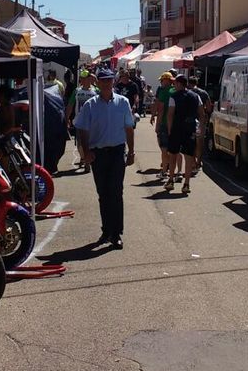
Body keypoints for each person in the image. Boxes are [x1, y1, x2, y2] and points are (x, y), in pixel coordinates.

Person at [73, 68, 136, 248]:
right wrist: (86, 152)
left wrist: (131, 151)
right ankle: (106, 230)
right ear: (98, 83)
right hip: (98, 154)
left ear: (113, 82)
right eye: (103, 80)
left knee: (116, 193)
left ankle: (116, 233)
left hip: (117, 152)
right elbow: (83, 129)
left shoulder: (123, 102)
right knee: (103, 194)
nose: (107, 83)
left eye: (109, 80)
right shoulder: (90, 105)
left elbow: (129, 128)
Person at [163, 74, 203, 194]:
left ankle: (171, 180)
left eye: (175, 83)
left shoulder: (173, 96)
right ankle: (186, 184)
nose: (174, 85)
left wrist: (169, 130)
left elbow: (170, 114)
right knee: (189, 156)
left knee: (173, 154)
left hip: (177, 128)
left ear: (180, 84)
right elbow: (202, 113)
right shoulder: (196, 96)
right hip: (190, 128)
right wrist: (200, 128)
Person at [66, 70, 99, 169]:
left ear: (90, 79)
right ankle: (84, 157)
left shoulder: (96, 91)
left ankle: (86, 160)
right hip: (79, 121)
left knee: (90, 142)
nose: (84, 80)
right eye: (82, 78)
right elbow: (70, 105)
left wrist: (96, 80)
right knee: (80, 143)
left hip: (93, 121)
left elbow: (107, 95)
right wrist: (67, 118)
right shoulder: (77, 91)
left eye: (86, 78)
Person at [151, 71, 175, 173]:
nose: (161, 82)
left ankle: (165, 167)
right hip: (175, 123)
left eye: (162, 80)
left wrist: (157, 124)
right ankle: (172, 168)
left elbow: (161, 109)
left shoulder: (164, 91)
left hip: (165, 122)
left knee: (163, 146)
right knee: (173, 147)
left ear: (167, 81)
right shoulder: (175, 90)